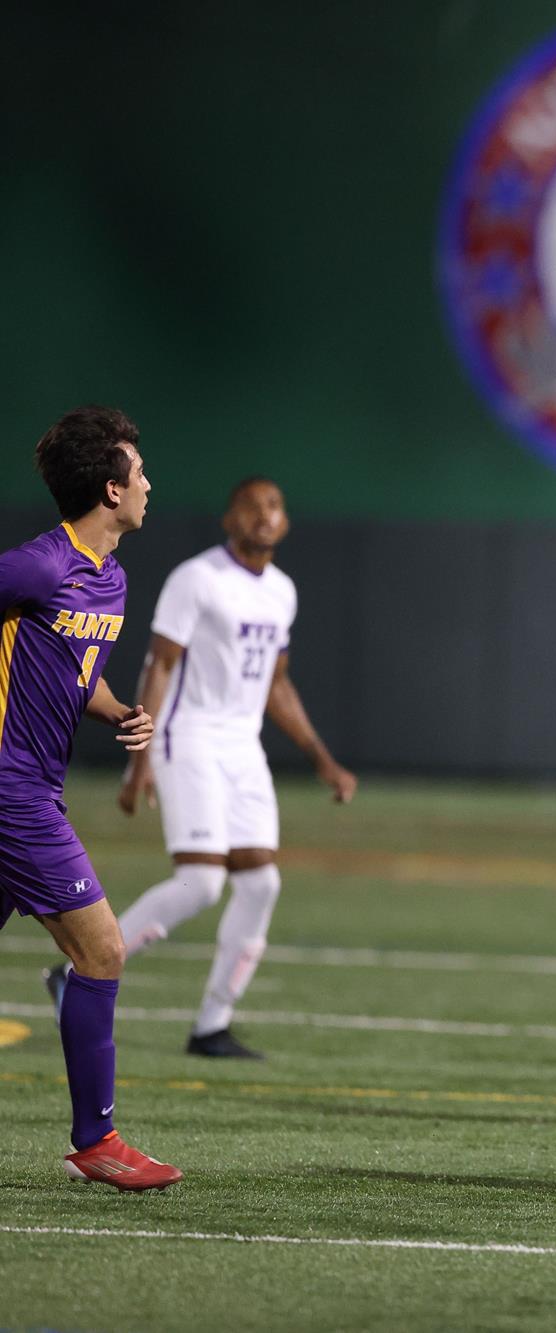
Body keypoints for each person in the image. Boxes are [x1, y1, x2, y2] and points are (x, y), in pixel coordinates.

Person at [105, 478, 356, 1058]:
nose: (263, 515)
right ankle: (84, 972)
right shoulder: (197, 578)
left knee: (261, 884)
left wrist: (322, 760)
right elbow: (159, 666)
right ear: (229, 519)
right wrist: (139, 761)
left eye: (274, 506)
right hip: (188, 736)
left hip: (243, 748)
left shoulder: (282, 592)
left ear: (285, 522)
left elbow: (277, 684)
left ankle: (211, 1026)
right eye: (251, 506)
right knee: (202, 884)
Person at [5, 406, 178, 1189]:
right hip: (12, 791)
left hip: (35, 785)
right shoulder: (41, 566)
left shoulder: (111, 577)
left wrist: (115, 710)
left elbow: (76, 669)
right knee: (102, 949)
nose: (149, 484)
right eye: (139, 472)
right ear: (111, 489)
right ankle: (95, 1140)